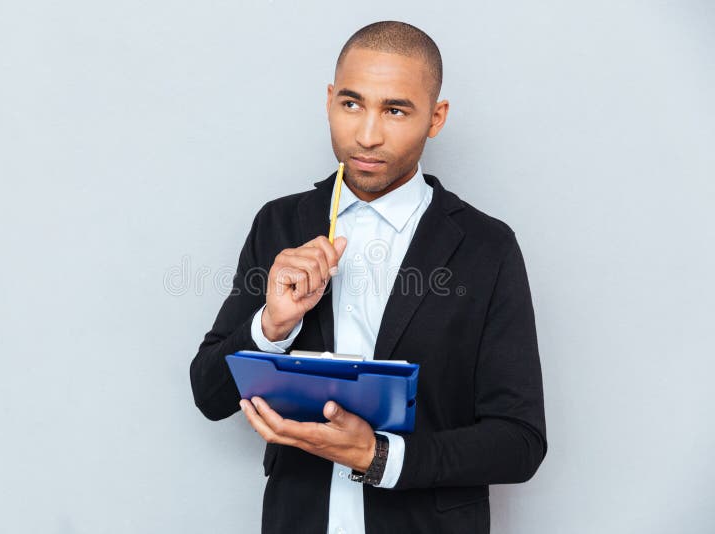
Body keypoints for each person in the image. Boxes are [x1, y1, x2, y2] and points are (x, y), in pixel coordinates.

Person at [190, 20, 547, 534]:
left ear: (436, 118)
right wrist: (271, 326)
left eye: (395, 110)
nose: (367, 134)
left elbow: (520, 442)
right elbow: (209, 394)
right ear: (330, 99)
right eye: (351, 104)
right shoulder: (280, 223)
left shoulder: (487, 247)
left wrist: (378, 455)